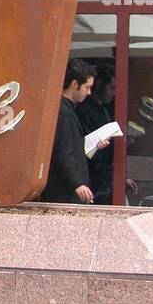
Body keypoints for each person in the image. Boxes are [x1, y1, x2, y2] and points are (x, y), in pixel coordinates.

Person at [42, 59, 108, 204]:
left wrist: (94, 146)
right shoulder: (63, 111)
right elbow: (62, 152)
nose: (89, 93)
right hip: (63, 192)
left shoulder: (66, 109)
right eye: (87, 87)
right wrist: (76, 183)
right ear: (74, 84)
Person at [75, 62, 117, 204]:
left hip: (103, 176)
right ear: (99, 84)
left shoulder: (104, 109)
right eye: (111, 88)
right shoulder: (85, 110)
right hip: (93, 177)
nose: (113, 93)